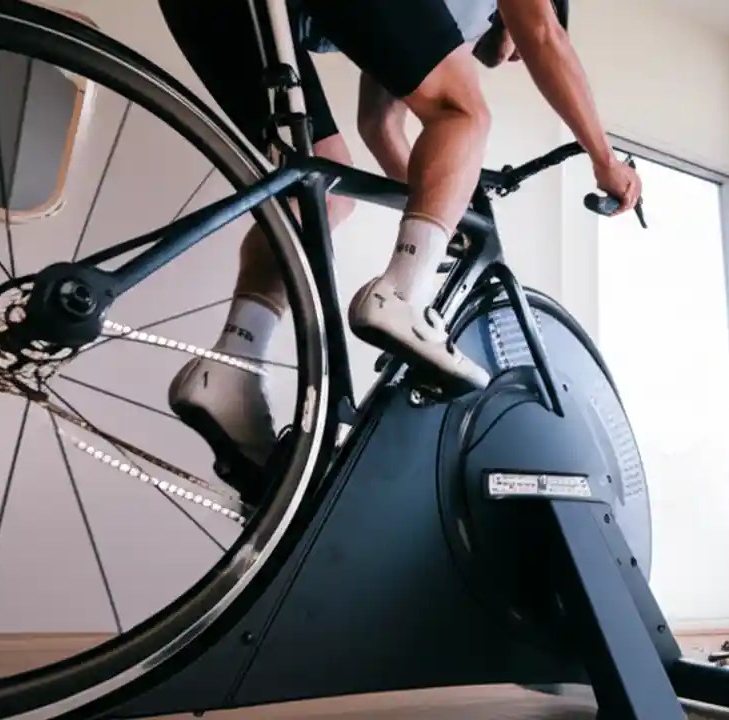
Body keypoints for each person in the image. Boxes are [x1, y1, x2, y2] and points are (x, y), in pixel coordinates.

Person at [159, 0, 642, 488]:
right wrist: (605, 160)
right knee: (465, 113)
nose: (515, 57)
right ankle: (399, 297)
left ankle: (235, 362)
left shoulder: (440, 18)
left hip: (219, 13)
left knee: (321, 194)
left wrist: (441, 208)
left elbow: (380, 123)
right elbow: (542, 35)